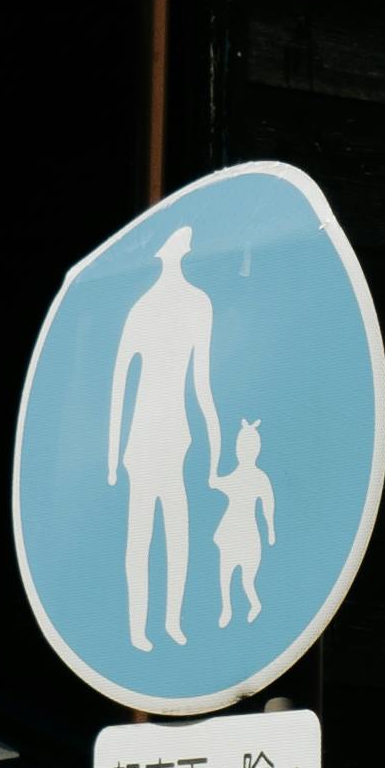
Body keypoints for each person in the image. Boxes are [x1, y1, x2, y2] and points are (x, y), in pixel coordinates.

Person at [105, 227, 221, 657]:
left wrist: (215, 442)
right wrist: (113, 457)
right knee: (153, 534)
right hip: (151, 440)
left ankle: (168, 623)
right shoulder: (152, 308)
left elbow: (199, 382)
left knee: (167, 531)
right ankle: (145, 627)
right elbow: (121, 385)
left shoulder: (192, 305)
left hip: (170, 439)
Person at [212, 417, 276, 631]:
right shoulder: (238, 475)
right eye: (242, 446)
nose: (245, 450)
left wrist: (271, 529)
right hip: (231, 531)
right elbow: (220, 484)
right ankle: (226, 609)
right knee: (226, 574)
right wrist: (214, 479)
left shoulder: (259, 478)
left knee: (247, 579)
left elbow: (268, 505)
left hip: (247, 534)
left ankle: (255, 604)